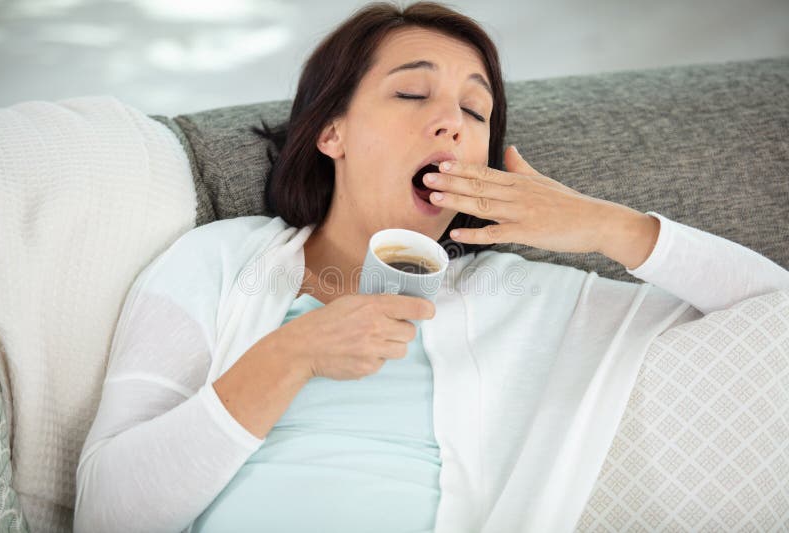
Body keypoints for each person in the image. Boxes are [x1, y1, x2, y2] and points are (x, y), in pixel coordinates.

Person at [73, 2, 789, 533]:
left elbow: (772, 317)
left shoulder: (524, 296)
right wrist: (291, 353)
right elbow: (106, 511)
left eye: (475, 112)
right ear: (332, 131)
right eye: (412, 93)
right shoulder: (221, 261)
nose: (451, 121)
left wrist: (604, 226)